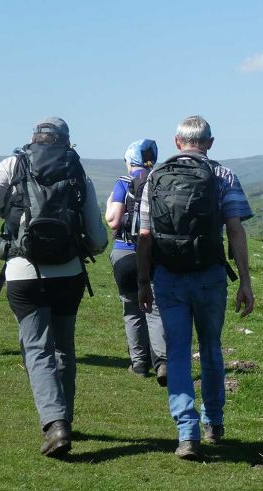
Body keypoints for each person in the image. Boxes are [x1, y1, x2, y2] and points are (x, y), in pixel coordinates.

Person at [0, 117, 108, 458]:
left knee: (36, 348)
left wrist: (12, 211)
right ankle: (65, 419)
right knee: (64, 346)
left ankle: (54, 423)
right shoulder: (77, 172)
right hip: (69, 273)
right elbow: (97, 238)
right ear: (66, 141)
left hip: (23, 271)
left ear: (33, 138)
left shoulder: (13, 165)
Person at [137, 115, 254, 460]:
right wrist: (245, 280)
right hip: (209, 275)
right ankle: (214, 423)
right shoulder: (223, 176)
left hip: (168, 276)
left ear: (177, 142)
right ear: (210, 143)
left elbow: (144, 236)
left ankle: (186, 434)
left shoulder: (155, 177)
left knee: (176, 353)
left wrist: (143, 282)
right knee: (211, 348)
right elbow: (235, 229)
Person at [106, 139, 167, 383]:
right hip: (152, 254)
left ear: (130, 160)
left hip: (124, 253)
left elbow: (113, 220)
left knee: (132, 310)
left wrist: (110, 203)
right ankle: (162, 361)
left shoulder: (123, 183)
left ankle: (139, 364)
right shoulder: (159, 182)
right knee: (154, 310)